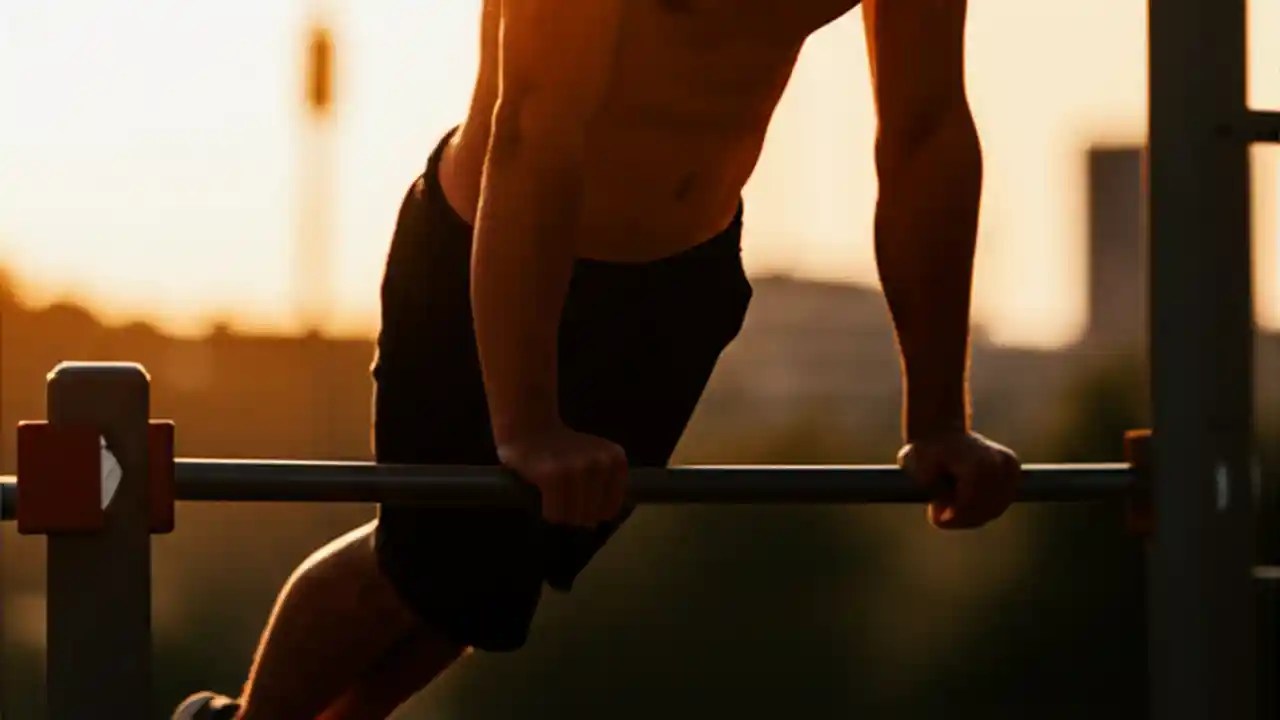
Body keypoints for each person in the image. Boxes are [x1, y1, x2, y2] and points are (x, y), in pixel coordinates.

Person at [175, 0, 1022, 717]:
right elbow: (536, 124)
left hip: (680, 287)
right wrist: (527, 421)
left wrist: (940, 420)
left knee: (485, 594)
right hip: (494, 259)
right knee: (409, 573)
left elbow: (925, 132)